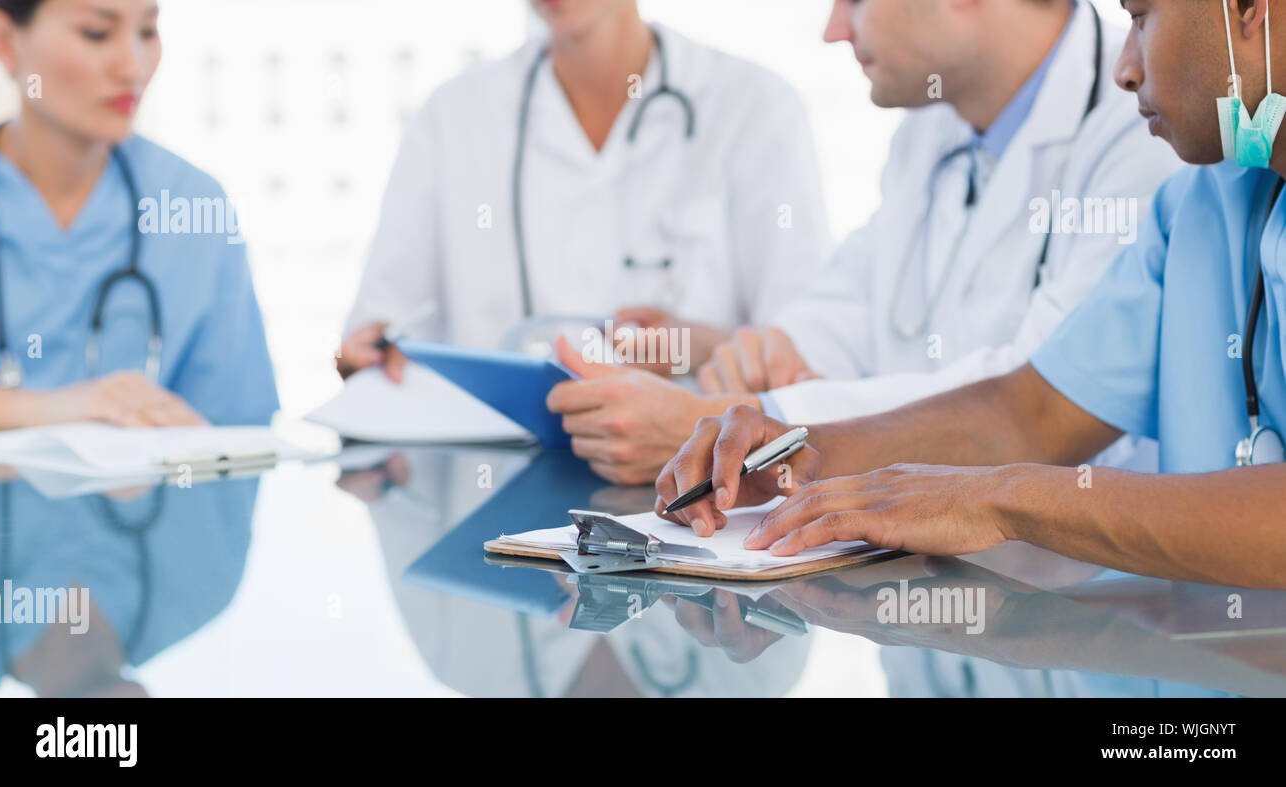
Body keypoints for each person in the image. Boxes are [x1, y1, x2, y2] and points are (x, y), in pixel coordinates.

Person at [655, 0, 1286, 591]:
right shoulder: (1209, 204)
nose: (1127, 69)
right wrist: (800, 448)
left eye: (1142, 16)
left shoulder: (1159, 168)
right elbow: (1031, 413)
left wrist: (998, 499)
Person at [547, 0, 1181, 484]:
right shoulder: (929, 129)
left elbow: (1037, 400)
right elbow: (852, 305)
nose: (834, 29)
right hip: (921, 590)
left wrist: (742, 423)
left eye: (855, 0)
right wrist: (768, 358)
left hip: (1071, 600)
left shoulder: (1146, 131)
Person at [336, 0, 829, 385]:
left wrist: (699, 347)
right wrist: (372, 349)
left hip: (691, 484)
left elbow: (804, 358)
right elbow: (387, 323)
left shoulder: (755, 106)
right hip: (498, 478)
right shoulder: (453, 114)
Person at [0, 0, 278, 430]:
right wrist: (64, 409)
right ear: (4, 40)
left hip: (150, 500)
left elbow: (234, 433)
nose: (133, 68)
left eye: (147, 32)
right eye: (96, 33)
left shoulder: (192, 205)